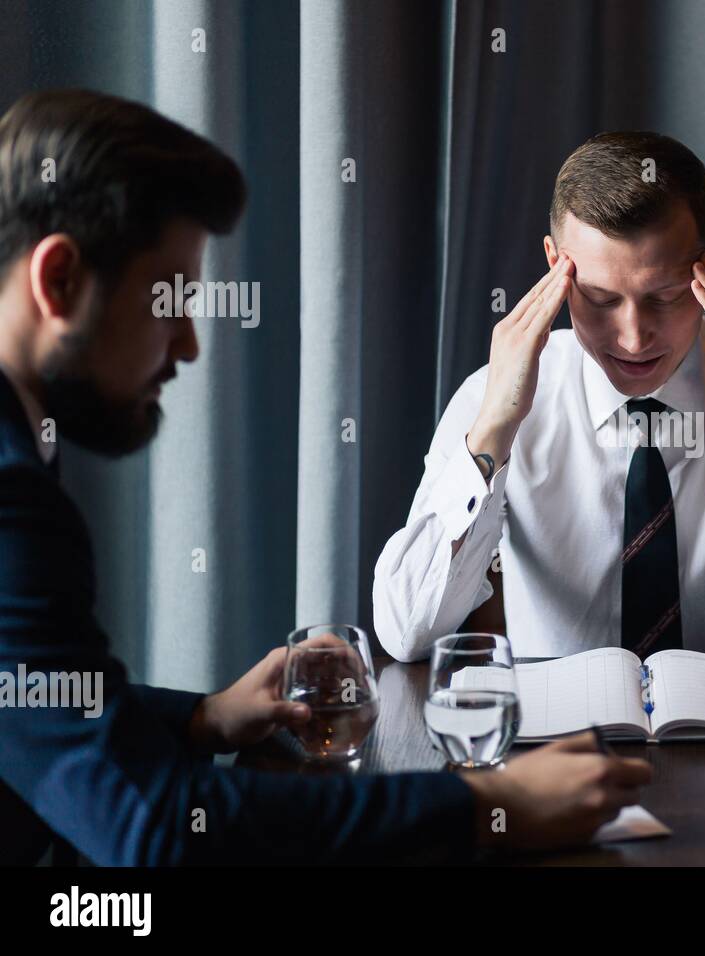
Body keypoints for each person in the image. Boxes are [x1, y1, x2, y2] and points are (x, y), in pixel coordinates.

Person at [0, 88, 650, 866]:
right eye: (168, 299)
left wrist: (203, 719)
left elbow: (33, 701)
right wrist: (490, 805)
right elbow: (155, 827)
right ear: (60, 280)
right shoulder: (14, 500)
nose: (188, 345)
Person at [374, 132, 705, 662]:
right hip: (556, 717)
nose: (634, 338)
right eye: (600, 299)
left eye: (664, 296)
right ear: (555, 266)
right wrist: (493, 433)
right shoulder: (489, 396)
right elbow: (406, 632)